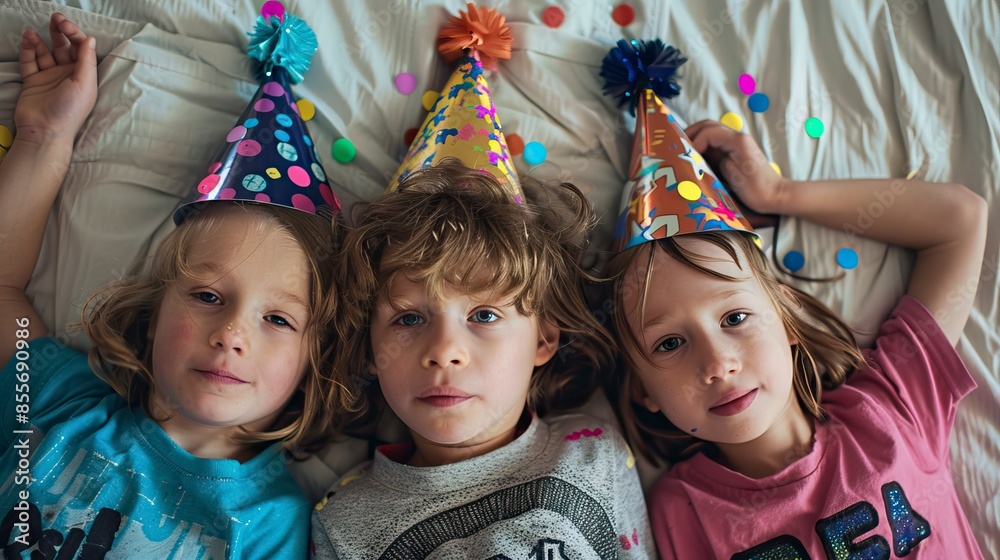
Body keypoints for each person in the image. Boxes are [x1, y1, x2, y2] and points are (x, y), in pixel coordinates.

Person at [0, 11, 346, 558]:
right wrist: (44, 136)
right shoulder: (58, 406)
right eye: (208, 297)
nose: (231, 333)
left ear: (316, 358)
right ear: (154, 310)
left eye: (278, 319)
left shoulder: (269, 524)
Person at [607, 119, 988, 558]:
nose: (718, 364)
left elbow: (959, 219)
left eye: (734, 317)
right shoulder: (681, 511)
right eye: (669, 343)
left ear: (786, 317)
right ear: (641, 388)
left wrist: (779, 194)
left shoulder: (889, 407)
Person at [310, 159, 654, 558]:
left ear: (543, 339)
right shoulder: (344, 519)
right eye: (409, 318)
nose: (443, 352)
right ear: (371, 350)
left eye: (484, 315)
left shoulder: (594, 456)